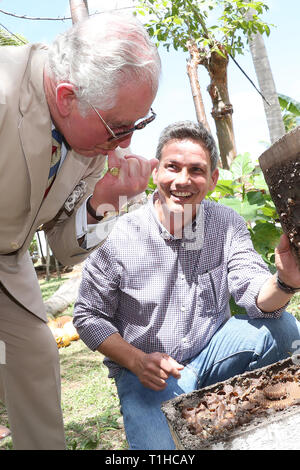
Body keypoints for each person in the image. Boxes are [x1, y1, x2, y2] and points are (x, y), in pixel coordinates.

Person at [74, 120, 300, 450]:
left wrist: (285, 282)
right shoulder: (121, 235)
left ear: (212, 180)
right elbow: (87, 316)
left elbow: (252, 290)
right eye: (172, 167)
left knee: (283, 327)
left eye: (196, 170)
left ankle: (240, 424)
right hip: (148, 370)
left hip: (213, 350)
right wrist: (136, 360)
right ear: (156, 173)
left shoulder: (225, 223)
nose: (182, 180)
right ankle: (204, 421)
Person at [0, 12, 161, 450]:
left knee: (35, 357)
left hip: (8, 265)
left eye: (136, 125)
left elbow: (61, 245)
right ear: (68, 97)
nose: (125, 143)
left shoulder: (91, 141)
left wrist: (105, 197)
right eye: (119, 127)